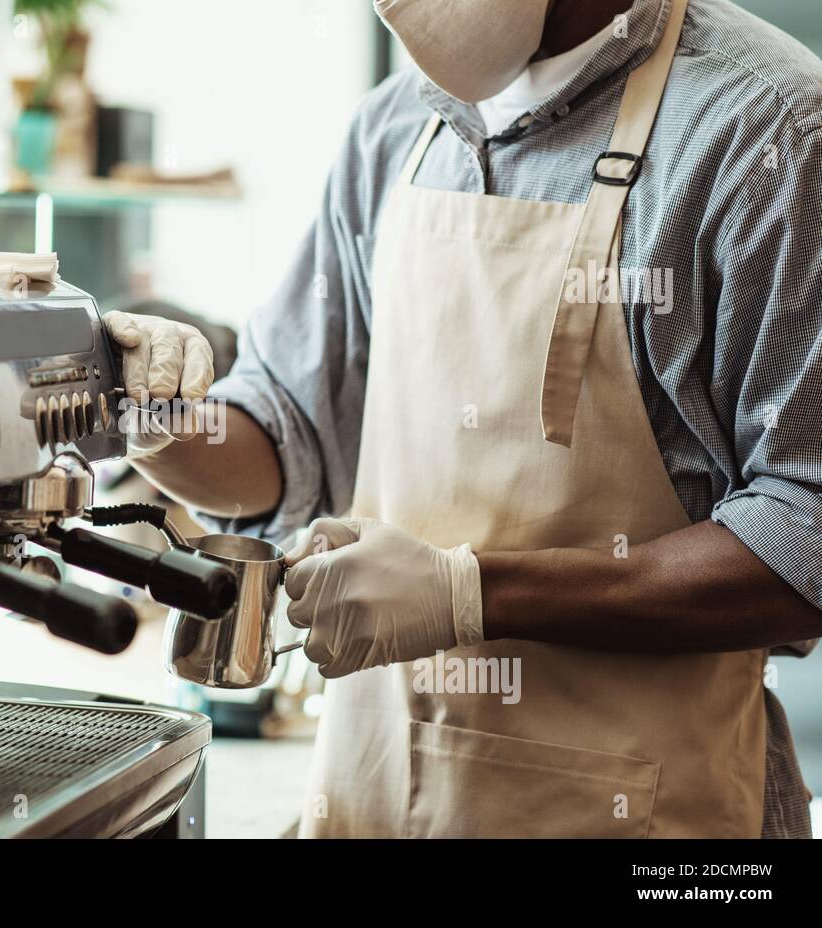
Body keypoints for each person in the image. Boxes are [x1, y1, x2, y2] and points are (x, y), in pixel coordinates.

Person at [104, 0, 822, 837]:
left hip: (646, 811)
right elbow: (286, 431)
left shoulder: (765, 129)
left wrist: (468, 592)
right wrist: (155, 416)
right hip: (376, 795)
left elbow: (804, 538)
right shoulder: (397, 129)